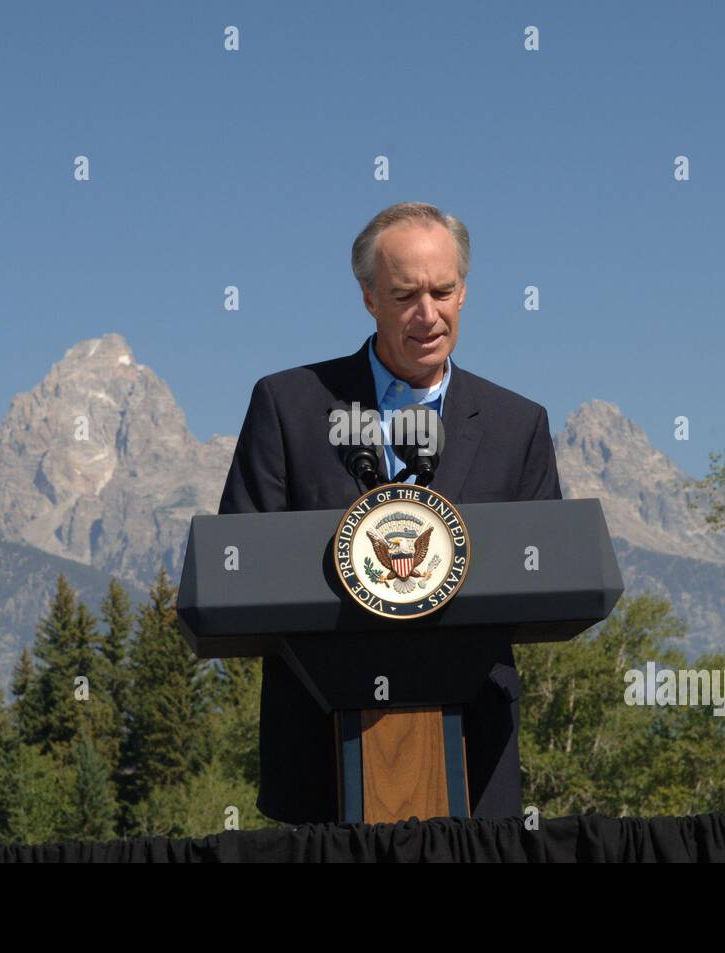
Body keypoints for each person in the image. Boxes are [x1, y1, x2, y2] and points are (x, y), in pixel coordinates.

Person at [219, 201, 562, 824]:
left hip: (472, 754)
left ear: (464, 293)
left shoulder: (519, 425)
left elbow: (549, 582)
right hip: (320, 752)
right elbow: (236, 566)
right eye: (406, 295)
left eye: (443, 291)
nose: (427, 314)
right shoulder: (289, 406)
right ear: (368, 297)